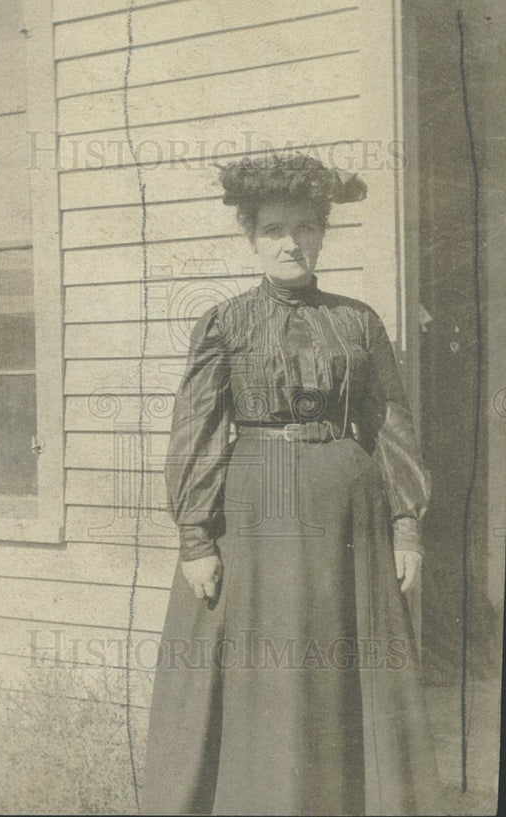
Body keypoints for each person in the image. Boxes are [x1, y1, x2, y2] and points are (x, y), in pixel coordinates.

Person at [140, 153, 439, 816]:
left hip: (348, 523)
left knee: (344, 678)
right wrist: (195, 538)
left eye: (304, 227)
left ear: (322, 234)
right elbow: (195, 430)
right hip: (256, 520)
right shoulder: (226, 323)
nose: (291, 242)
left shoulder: (360, 322)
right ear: (251, 236)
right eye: (274, 228)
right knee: (265, 678)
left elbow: (390, 422)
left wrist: (406, 525)